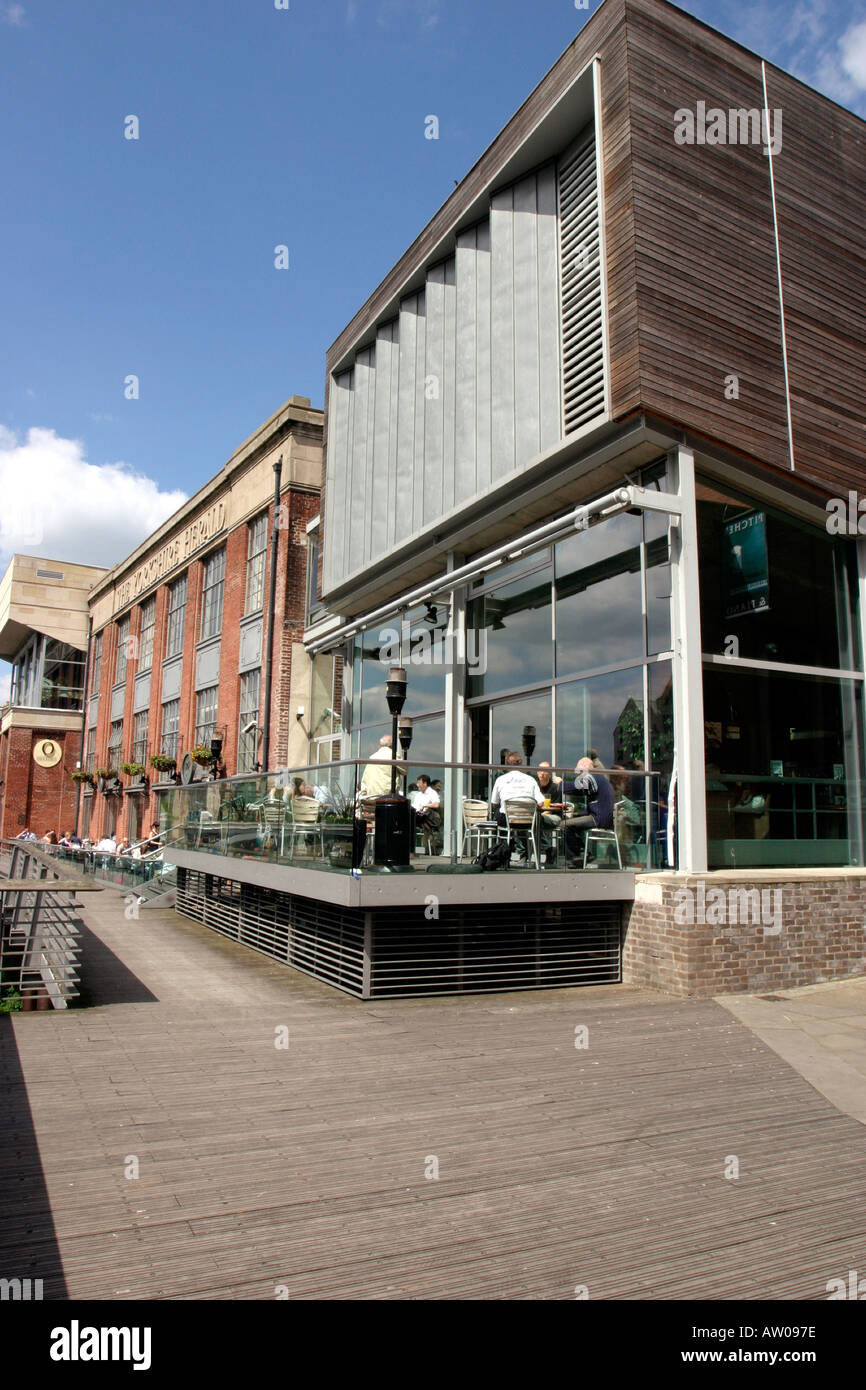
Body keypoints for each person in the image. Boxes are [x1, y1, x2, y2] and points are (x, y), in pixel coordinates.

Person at [563, 757, 616, 867]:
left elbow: (577, 788)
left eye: (578, 770)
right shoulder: (598, 778)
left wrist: (561, 784)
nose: (577, 774)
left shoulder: (593, 777)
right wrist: (578, 815)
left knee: (564, 825)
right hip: (602, 817)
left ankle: (578, 856)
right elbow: (594, 805)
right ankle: (582, 854)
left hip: (599, 819)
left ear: (585, 767)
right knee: (572, 823)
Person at [490, 752, 544, 858]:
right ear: (521, 763)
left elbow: (494, 803)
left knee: (498, 814)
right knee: (536, 819)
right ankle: (528, 854)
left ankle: (502, 854)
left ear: (507, 764)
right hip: (527, 821)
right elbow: (541, 803)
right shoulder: (531, 779)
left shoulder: (500, 780)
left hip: (507, 820)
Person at [535, 761, 565, 863]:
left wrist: (538, 816)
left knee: (535, 821)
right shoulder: (535, 786)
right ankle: (548, 849)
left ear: (550, 773)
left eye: (545, 771)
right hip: (539, 817)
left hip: (555, 816)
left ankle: (548, 849)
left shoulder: (555, 788)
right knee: (524, 823)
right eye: (540, 770)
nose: (542, 773)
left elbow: (554, 809)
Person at [359, 734, 405, 799]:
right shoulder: (393, 755)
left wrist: (364, 794)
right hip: (387, 797)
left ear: (380, 745)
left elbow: (365, 779)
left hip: (372, 796)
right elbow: (405, 770)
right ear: (392, 745)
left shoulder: (372, 757)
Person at [410, 774, 442, 854]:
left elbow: (436, 805)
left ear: (425, 783)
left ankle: (411, 849)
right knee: (409, 819)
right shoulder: (418, 794)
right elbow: (414, 807)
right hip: (418, 816)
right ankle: (409, 848)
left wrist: (425, 805)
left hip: (428, 818)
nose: (418, 785)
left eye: (419, 783)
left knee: (412, 820)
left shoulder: (432, 793)